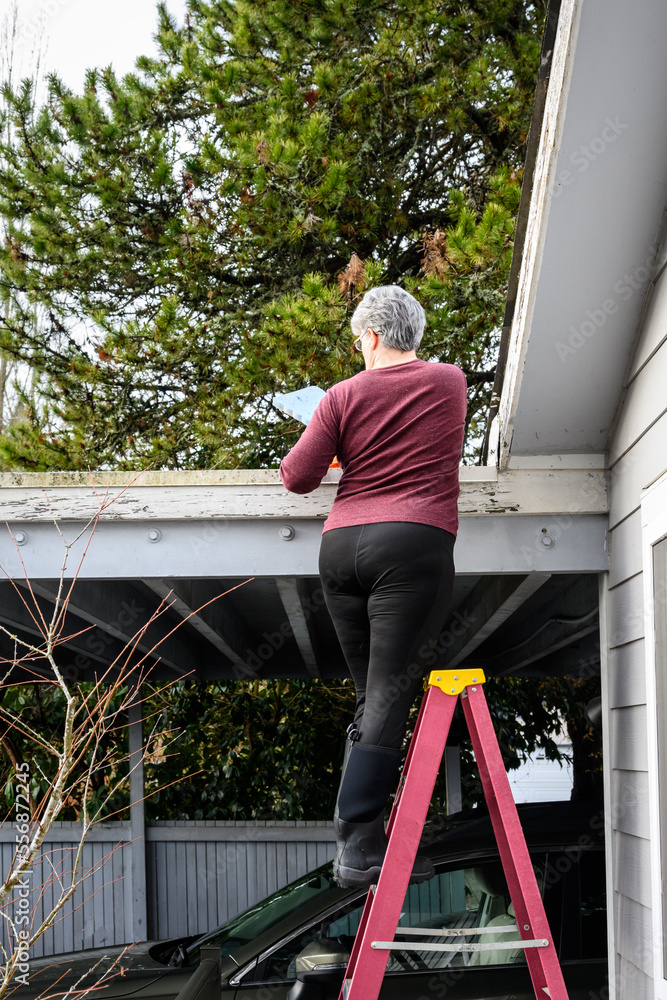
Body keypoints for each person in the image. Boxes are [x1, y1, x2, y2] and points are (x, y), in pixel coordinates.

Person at [279, 285, 467, 888]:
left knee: (372, 696)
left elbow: (297, 478)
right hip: (411, 545)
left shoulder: (340, 397)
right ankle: (358, 845)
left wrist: (342, 449)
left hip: (342, 551)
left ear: (373, 336)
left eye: (360, 339)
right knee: (387, 695)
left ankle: (360, 840)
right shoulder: (449, 382)